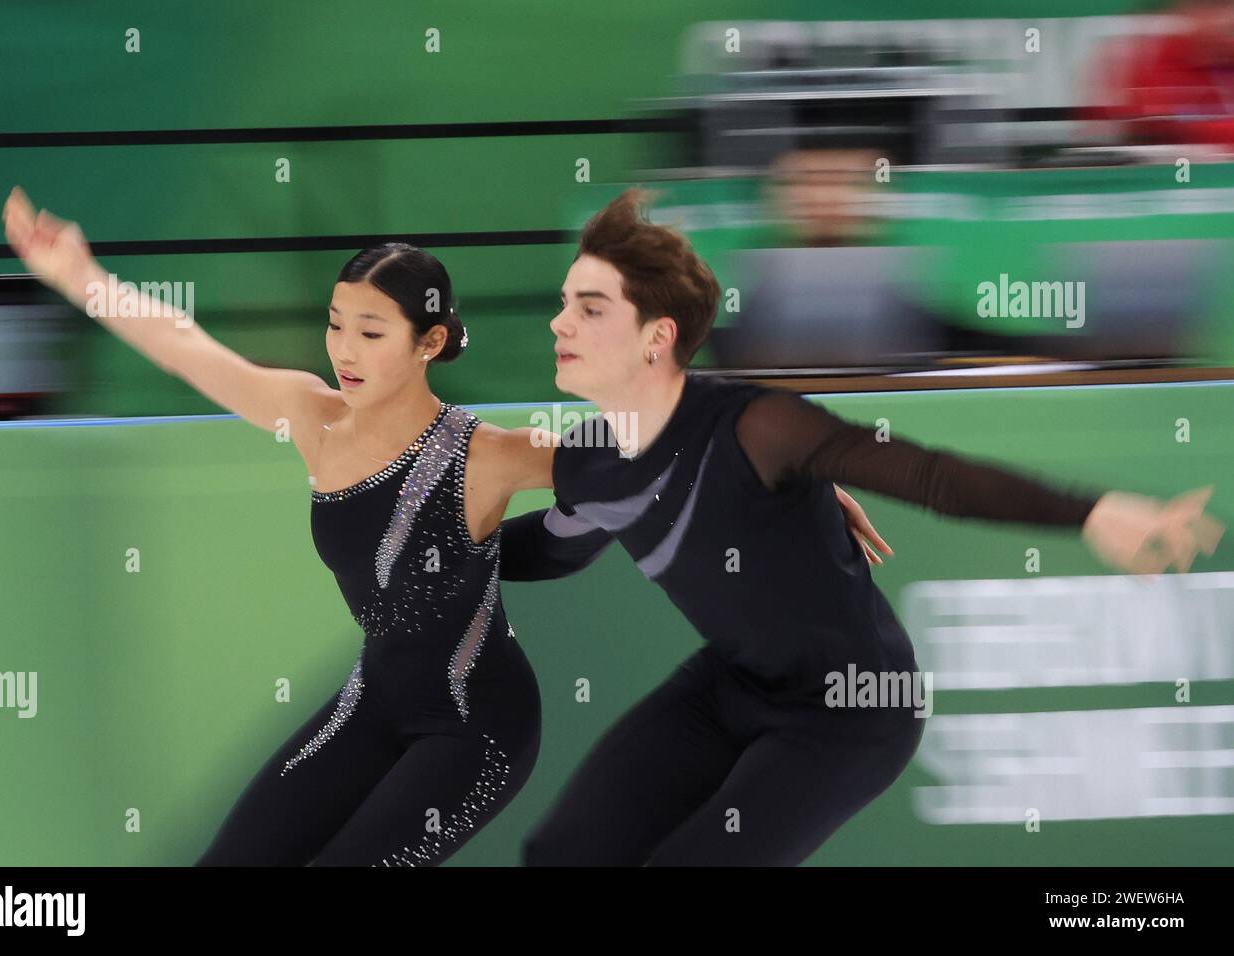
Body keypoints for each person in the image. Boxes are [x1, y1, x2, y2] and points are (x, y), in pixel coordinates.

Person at [498, 187, 1226, 866]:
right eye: (565, 302)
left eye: (590, 308)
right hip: (733, 684)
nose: (560, 322)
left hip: (851, 713)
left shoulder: (759, 425)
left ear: (656, 336)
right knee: (563, 855)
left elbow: (931, 476)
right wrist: (428, 553)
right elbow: (551, 551)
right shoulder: (591, 461)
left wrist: (1092, 511)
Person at [0, 187, 555, 866]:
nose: (344, 350)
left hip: (478, 728)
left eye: (372, 333)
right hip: (374, 702)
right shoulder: (313, 417)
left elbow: (626, 451)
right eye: (336, 323)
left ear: (429, 342)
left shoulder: (483, 457)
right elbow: (187, 349)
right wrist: (80, 277)